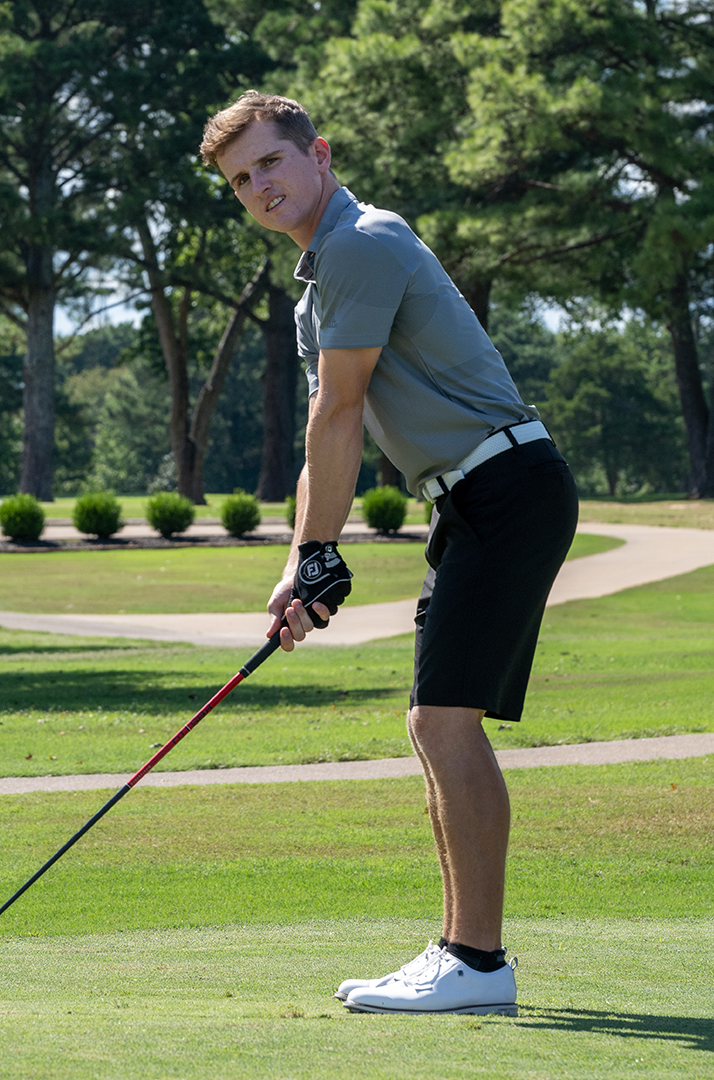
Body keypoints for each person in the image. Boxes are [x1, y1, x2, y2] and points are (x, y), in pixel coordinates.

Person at [200, 91, 579, 1016]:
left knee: (444, 723)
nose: (259, 187)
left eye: (270, 162)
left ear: (318, 154)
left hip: (506, 487)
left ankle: (476, 963)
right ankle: (461, 953)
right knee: (432, 722)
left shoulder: (362, 243)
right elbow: (325, 434)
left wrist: (322, 550)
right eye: (241, 179)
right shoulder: (322, 281)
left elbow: (340, 411)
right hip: (472, 499)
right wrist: (300, 563)